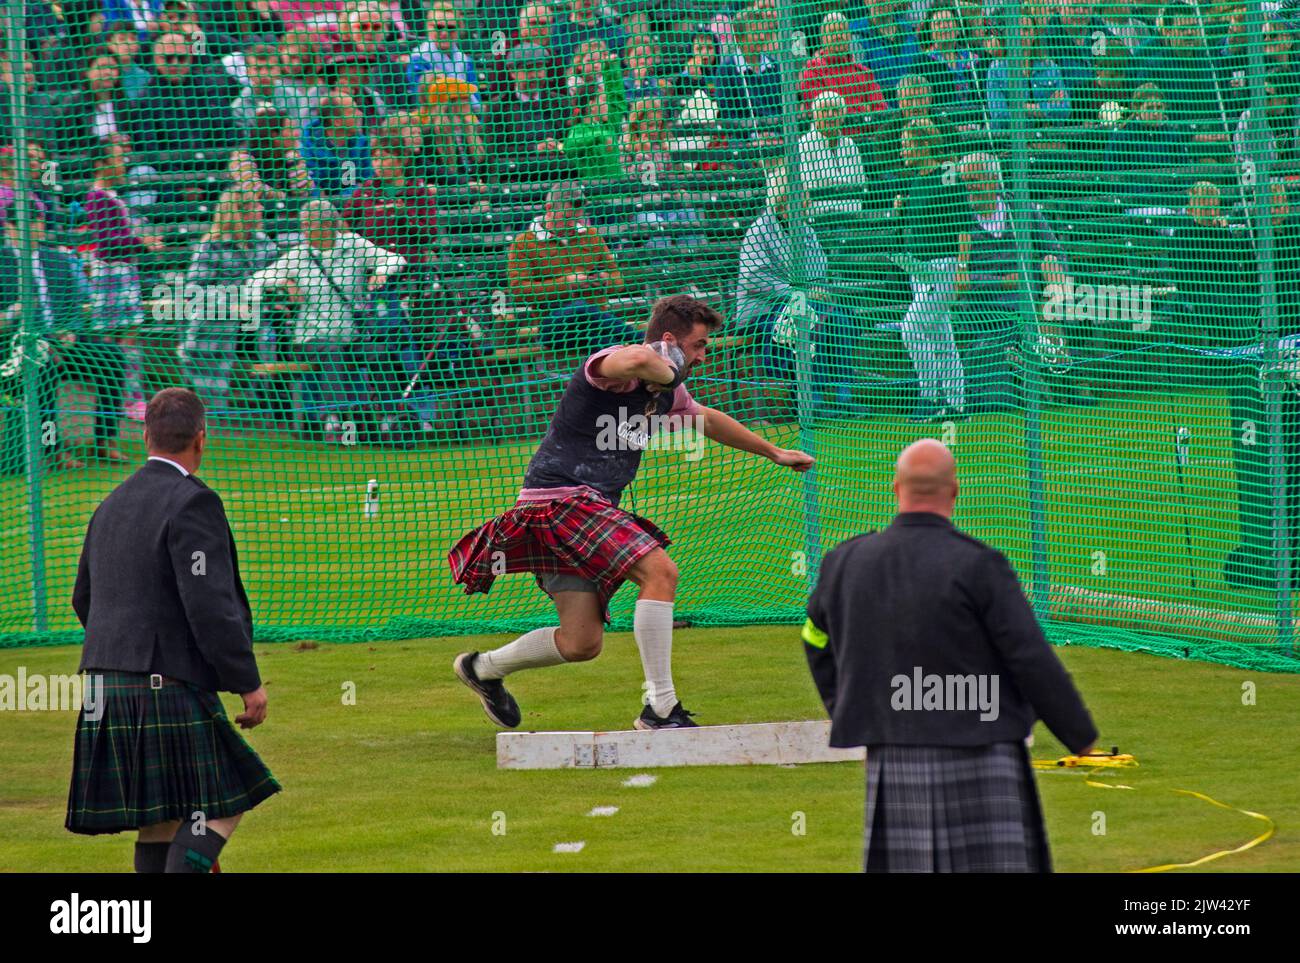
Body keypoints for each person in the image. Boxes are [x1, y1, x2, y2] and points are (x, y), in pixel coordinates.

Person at [449, 294, 815, 729]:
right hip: (562, 501)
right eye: (698, 345)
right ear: (669, 341)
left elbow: (706, 418)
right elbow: (638, 358)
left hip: (584, 509)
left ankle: (482, 669)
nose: (703, 355)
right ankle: (660, 707)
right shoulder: (613, 371)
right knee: (660, 572)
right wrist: (667, 366)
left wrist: (772, 451)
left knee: (581, 642)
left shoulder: (668, 393)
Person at [803, 438, 1098, 873]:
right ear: (954, 493)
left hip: (895, 748)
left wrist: (848, 705)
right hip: (983, 749)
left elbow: (815, 641)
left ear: (896, 489)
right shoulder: (980, 565)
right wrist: (1080, 737)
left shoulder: (846, 562)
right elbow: (1030, 658)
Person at [66, 387, 279, 871]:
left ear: (146, 436)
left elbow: (84, 598)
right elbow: (209, 605)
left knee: (159, 821)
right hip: (161, 686)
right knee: (223, 802)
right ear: (201, 439)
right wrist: (246, 682)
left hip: (105, 685)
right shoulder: (192, 502)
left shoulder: (110, 504)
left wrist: (122, 652)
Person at [261, 199, 407, 441]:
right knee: (331, 349)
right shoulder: (298, 255)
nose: (304, 230)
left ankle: (389, 419)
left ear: (328, 225)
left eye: (309, 224)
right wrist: (285, 283)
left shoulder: (354, 244)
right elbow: (259, 279)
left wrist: (381, 271)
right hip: (310, 339)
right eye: (303, 224)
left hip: (352, 336)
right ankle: (335, 419)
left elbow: (396, 259)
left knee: (379, 351)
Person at [0, 203, 126, 471]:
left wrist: (70, 331)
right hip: (16, 349)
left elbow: (74, 305)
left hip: (64, 342)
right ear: (9, 227)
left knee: (113, 357)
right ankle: (52, 448)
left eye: (38, 221)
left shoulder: (56, 260)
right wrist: (15, 311)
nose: (35, 227)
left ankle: (105, 439)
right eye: (27, 222)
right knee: (42, 367)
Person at [893, 118, 970, 422]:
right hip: (918, 269)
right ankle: (955, 404)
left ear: (924, 144)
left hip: (945, 266)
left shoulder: (948, 174)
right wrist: (901, 208)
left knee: (910, 327)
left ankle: (929, 396)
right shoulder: (913, 180)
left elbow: (964, 225)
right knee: (941, 338)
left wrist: (963, 267)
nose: (903, 150)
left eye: (907, 144)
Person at [181, 188, 280, 415]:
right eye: (256, 206)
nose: (261, 209)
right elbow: (194, 291)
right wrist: (230, 305)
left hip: (257, 320)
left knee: (271, 335)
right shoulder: (212, 245)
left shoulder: (264, 244)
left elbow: (277, 278)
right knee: (213, 330)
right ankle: (212, 407)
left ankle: (266, 403)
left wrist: (284, 288)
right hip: (220, 319)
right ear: (240, 212)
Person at [506, 181, 633, 356]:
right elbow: (519, 291)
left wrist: (603, 280)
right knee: (580, 308)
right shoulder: (523, 243)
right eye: (570, 211)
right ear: (550, 208)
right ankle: (637, 337)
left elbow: (618, 280)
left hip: (595, 325)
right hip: (553, 327)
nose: (578, 216)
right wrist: (566, 284)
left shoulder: (591, 235)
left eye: (580, 211)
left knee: (597, 336)